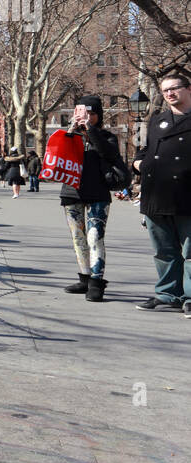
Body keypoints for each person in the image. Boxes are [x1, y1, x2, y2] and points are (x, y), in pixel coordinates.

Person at [133, 72, 191, 313]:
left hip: (187, 195)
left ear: (188, 88)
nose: (169, 93)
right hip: (156, 195)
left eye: (174, 88)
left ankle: (189, 298)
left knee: (190, 252)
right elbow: (139, 152)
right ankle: (167, 294)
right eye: (165, 90)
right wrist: (140, 165)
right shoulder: (155, 121)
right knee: (163, 250)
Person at [58, 95, 124, 302]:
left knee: (95, 236)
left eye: (92, 113)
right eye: (82, 113)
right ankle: (84, 277)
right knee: (78, 237)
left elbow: (109, 154)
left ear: (98, 115)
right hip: (71, 191)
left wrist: (90, 130)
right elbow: (59, 155)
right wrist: (72, 128)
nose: (87, 117)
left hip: (98, 193)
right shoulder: (70, 135)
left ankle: (96, 282)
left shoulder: (107, 136)